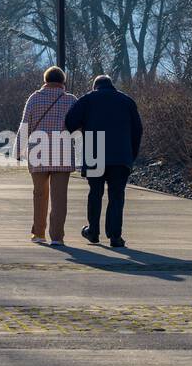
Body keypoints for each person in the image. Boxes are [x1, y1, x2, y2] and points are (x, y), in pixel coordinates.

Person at [64, 74, 143, 248]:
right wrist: (131, 155)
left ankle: (93, 231)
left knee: (95, 193)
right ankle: (115, 236)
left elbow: (69, 123)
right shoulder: (127, 101)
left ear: (95, 87)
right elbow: (138, 130)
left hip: (95, 151)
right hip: (121, 155)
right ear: (111, 85)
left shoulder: (87, 99)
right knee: (116, 196)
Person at [18, 66, 77, 245]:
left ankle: (39, 234)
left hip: (38, 152)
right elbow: (79, 128)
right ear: (62, 82)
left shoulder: (34, 99)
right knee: (59, 198)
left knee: (39, 194)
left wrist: (18, 151)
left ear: (45, 80)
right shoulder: (71, 100)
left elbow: (25, 124)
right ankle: (57, 238)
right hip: (63, 153)